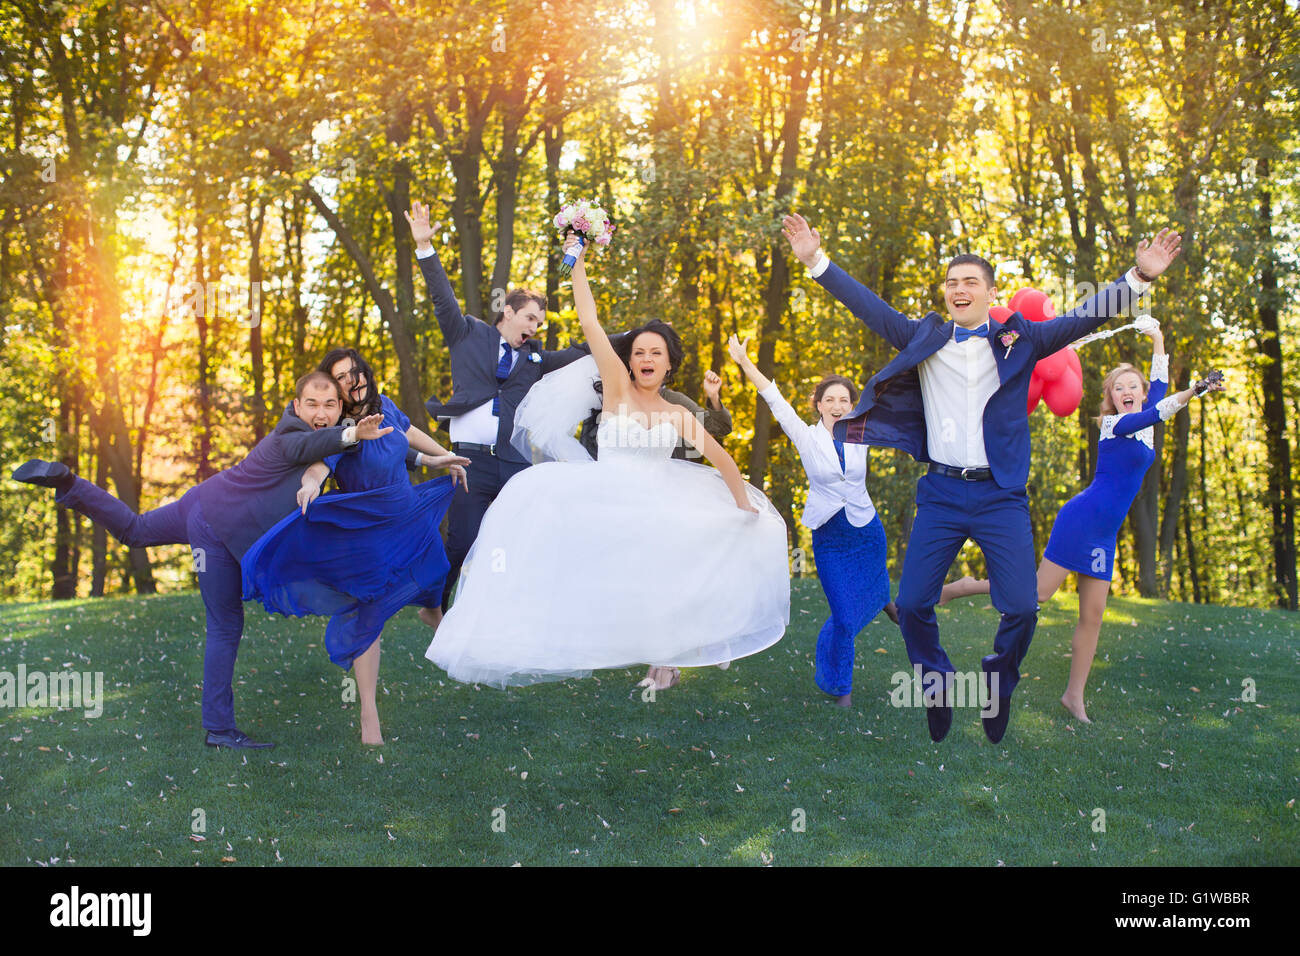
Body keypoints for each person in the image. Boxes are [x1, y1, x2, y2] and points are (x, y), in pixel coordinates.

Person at [782, 211, 1182, 743]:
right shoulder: (923, 334)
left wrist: (1140, 278)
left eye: (970, 282)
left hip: (1000, 496)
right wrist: (814, 259)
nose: (958, 289)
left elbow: (1086, 317)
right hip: (943, 493)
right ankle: (938, 680)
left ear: (990, 292)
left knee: (1021, 606)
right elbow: (867, 306)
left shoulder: (1024, 338)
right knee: (915, 603)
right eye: (951, 283)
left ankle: (998, 679)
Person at [424, 235, 789, 690]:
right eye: (639, 352)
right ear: (629, 362)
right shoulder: (615, 387)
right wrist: (577, 261)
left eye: (656, 352)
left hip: (659, 496)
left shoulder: (677, 413)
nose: (646, 358)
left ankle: (669, 656)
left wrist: (742, 504)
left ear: (669, 364)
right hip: (604, 493)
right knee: (544, 532)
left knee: (677, 565)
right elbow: (590, 321)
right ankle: (523, 623)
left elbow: (722, 459)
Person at [10, 372, 389, 749]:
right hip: (215, 529)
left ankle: (69, 484)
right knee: (225, 625)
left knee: (135, 531)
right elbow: (318, 444)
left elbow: (358, 447)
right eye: (312, 404)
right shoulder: (289, 435)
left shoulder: (325, 437)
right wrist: (352, 433)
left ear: (340, 406)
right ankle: (220, 729)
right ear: (296, 406)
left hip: (205, 500)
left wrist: (423, 455)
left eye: (329, 404)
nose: (320, 412)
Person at [939, 325, 1223, 723]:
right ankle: (964, 587)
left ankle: (1074, 697)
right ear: (1109, 398)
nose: (1126, 391)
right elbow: (1162, 407)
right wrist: (1196, 390)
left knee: (1092, 616)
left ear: (1141, 393)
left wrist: (1158, 336)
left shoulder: (1146, 419)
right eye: (1117, 388)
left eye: (1132, 386)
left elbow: (1159, 387)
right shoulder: (1115, 425)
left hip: (1104, 534)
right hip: (1080, 520)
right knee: (1037, 595)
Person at [241, 349, 469, 745]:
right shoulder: (340, 430)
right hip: (371, 533)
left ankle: (432, 613)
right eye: (340, 377)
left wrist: (442, 457)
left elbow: (409, 439)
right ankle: (369, 715)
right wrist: (311, 483)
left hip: (409, 516)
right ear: (337, 391)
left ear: (365, 373)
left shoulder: (388, 408)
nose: (352, 380)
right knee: (371, 615)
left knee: (435, 566)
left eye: (354, 372)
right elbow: (320, 465)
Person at [405, 201, 606, 612]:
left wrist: (633, 338)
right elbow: (443, 300)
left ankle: (509, 612)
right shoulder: (468, 335)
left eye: (539, 324)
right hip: (469, 462)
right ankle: (434, 605)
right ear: (508, 311)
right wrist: (425, 248)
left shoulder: (535, 359)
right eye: (529, 319)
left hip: (514, 464)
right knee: (462, 542)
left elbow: (582, 349)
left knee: (518, 541)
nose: (534, 328)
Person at [728, 334, 895, 707]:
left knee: (852, 608)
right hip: (831, 538)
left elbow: (900, 404)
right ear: (818, 405)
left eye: (844, 400)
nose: (837, 405)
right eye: (830, 399)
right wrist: (742, 361)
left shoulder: (862, 433)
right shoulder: (805, 436)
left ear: (853, 405)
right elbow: (773, 397)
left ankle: (882, 595)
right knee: (844, 617)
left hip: (866, 529)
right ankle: (841, 689)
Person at [577, 365, 733, 460]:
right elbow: (588, 448)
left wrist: (713, 397)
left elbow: (721, 427)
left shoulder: (673, 400)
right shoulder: (609, 399)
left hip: (666, 489)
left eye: (657, 354)